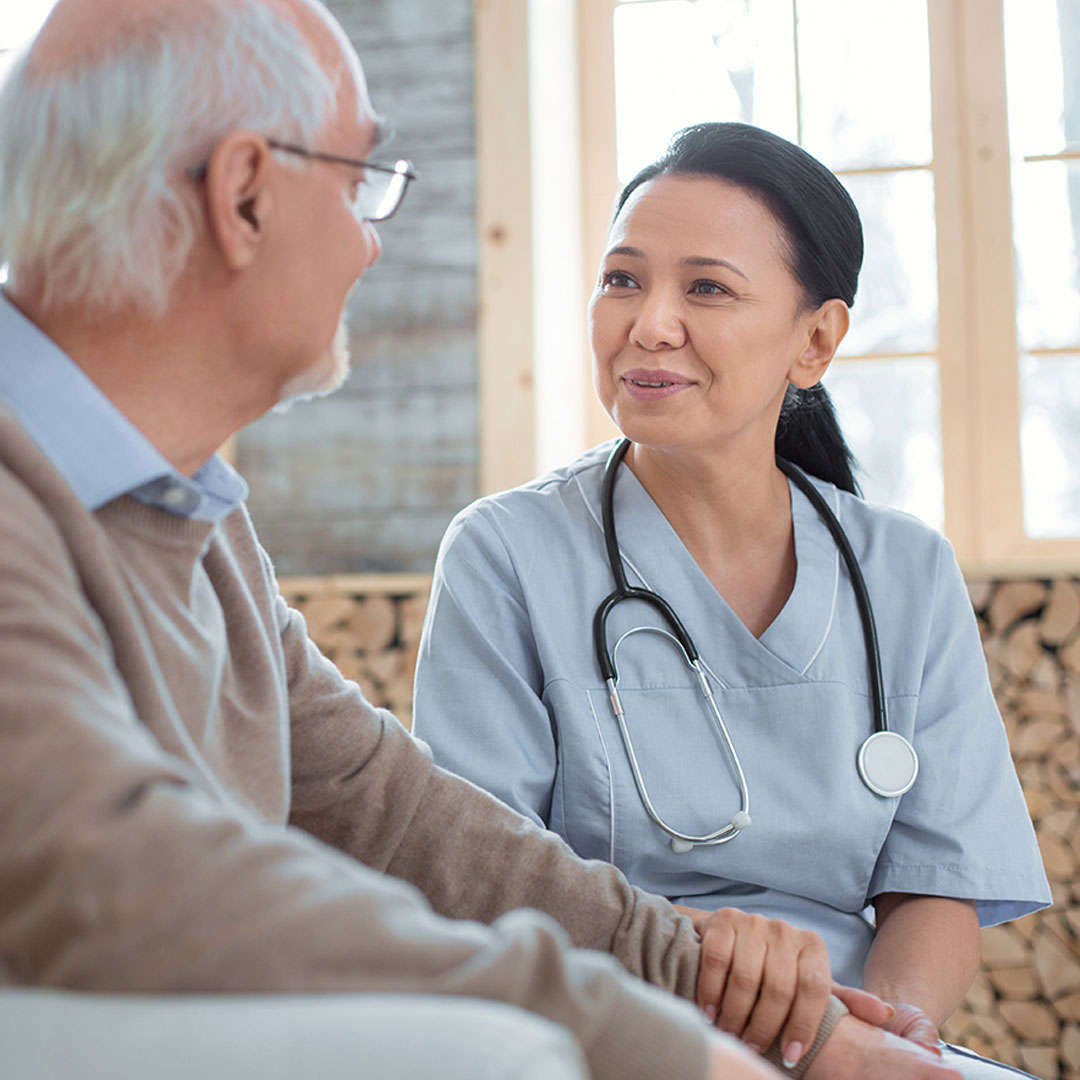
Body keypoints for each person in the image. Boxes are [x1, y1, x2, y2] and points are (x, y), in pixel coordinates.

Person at [0, 4, 966, 1079]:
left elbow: (399, 816)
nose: (374, 241)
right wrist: (666, 1045)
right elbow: (125, 879)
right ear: (242, 196)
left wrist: (740, 999)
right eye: (361, 180)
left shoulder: (198, 518)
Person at [412, 122, 1052, 1079]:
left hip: (857, 1040)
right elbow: (476, 882)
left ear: (816, 340)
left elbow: (937, 887)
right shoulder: (506, 553)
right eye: (623, 279)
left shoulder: (906, 571)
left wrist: (888, 1037)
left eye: (706, 287)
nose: (649, 322)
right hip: (610, 1028)